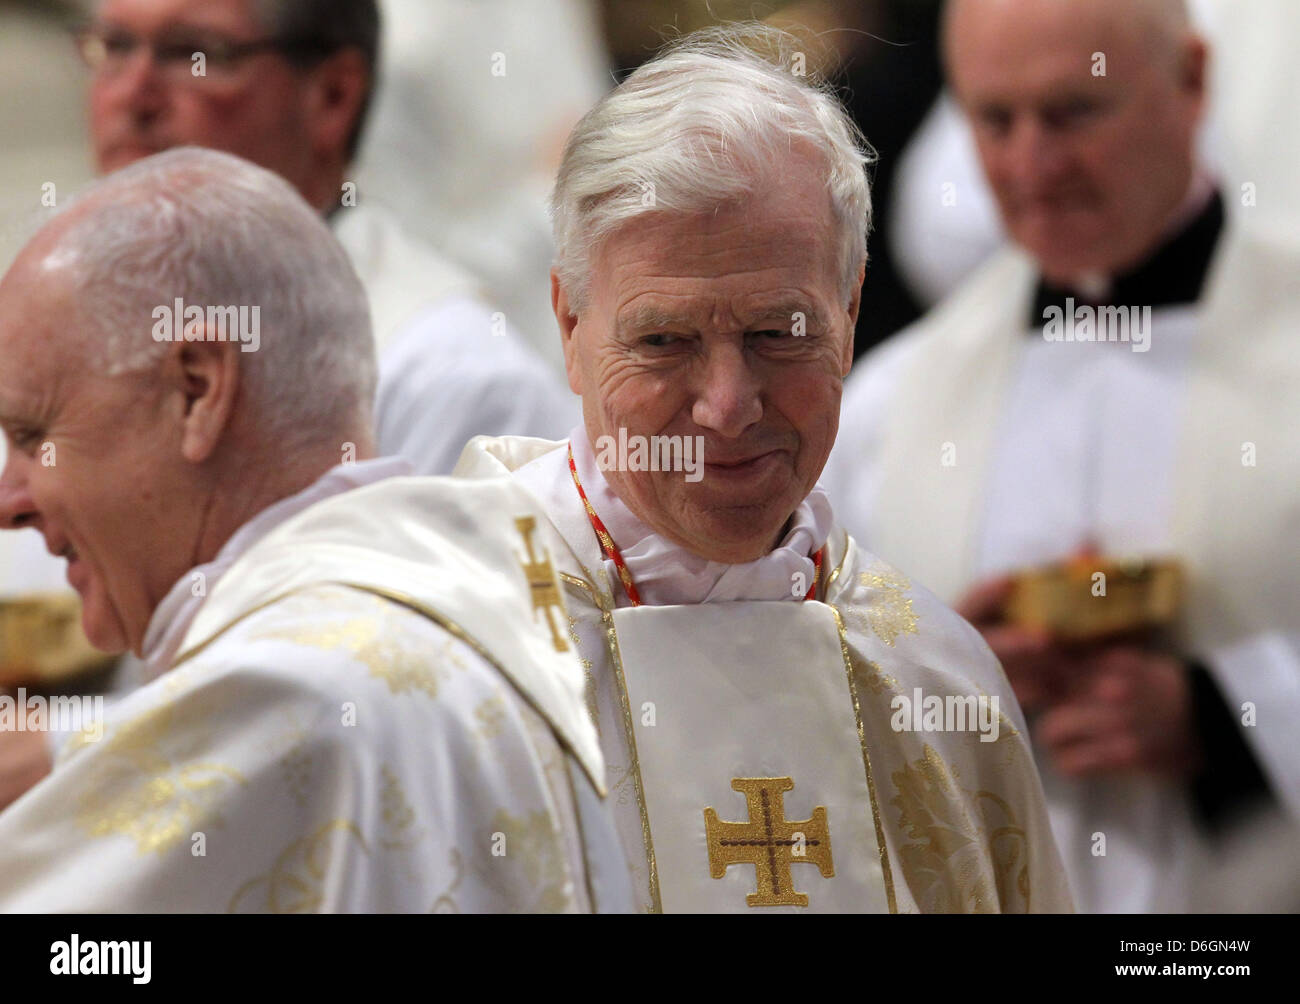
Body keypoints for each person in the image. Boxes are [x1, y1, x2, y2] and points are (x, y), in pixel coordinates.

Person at [451, 25, 1073, 913]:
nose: (728, 406)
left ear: (850, 314)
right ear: (569, 324)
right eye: (664, 341)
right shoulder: (453, 648)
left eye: (778, 334)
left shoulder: (932, 680)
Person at [0, 148, 625, 913]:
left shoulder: (280, 691)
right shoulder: (480, 603)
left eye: (34, 436)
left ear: (196, 391)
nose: (11, 501)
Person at [824, 0, 1299, 912]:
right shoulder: (892, 404)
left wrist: (1225, 720)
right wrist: (950, 683)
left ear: (1192, 80)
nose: (1032, 167)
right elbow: (819, 722)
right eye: (994, 121)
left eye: (1074, 113)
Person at [80, 0, 576, 475]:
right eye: (116, 46)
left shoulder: (449, 381)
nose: (131, 95)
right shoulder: (60, 324)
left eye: (198, 54)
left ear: (333, 94)